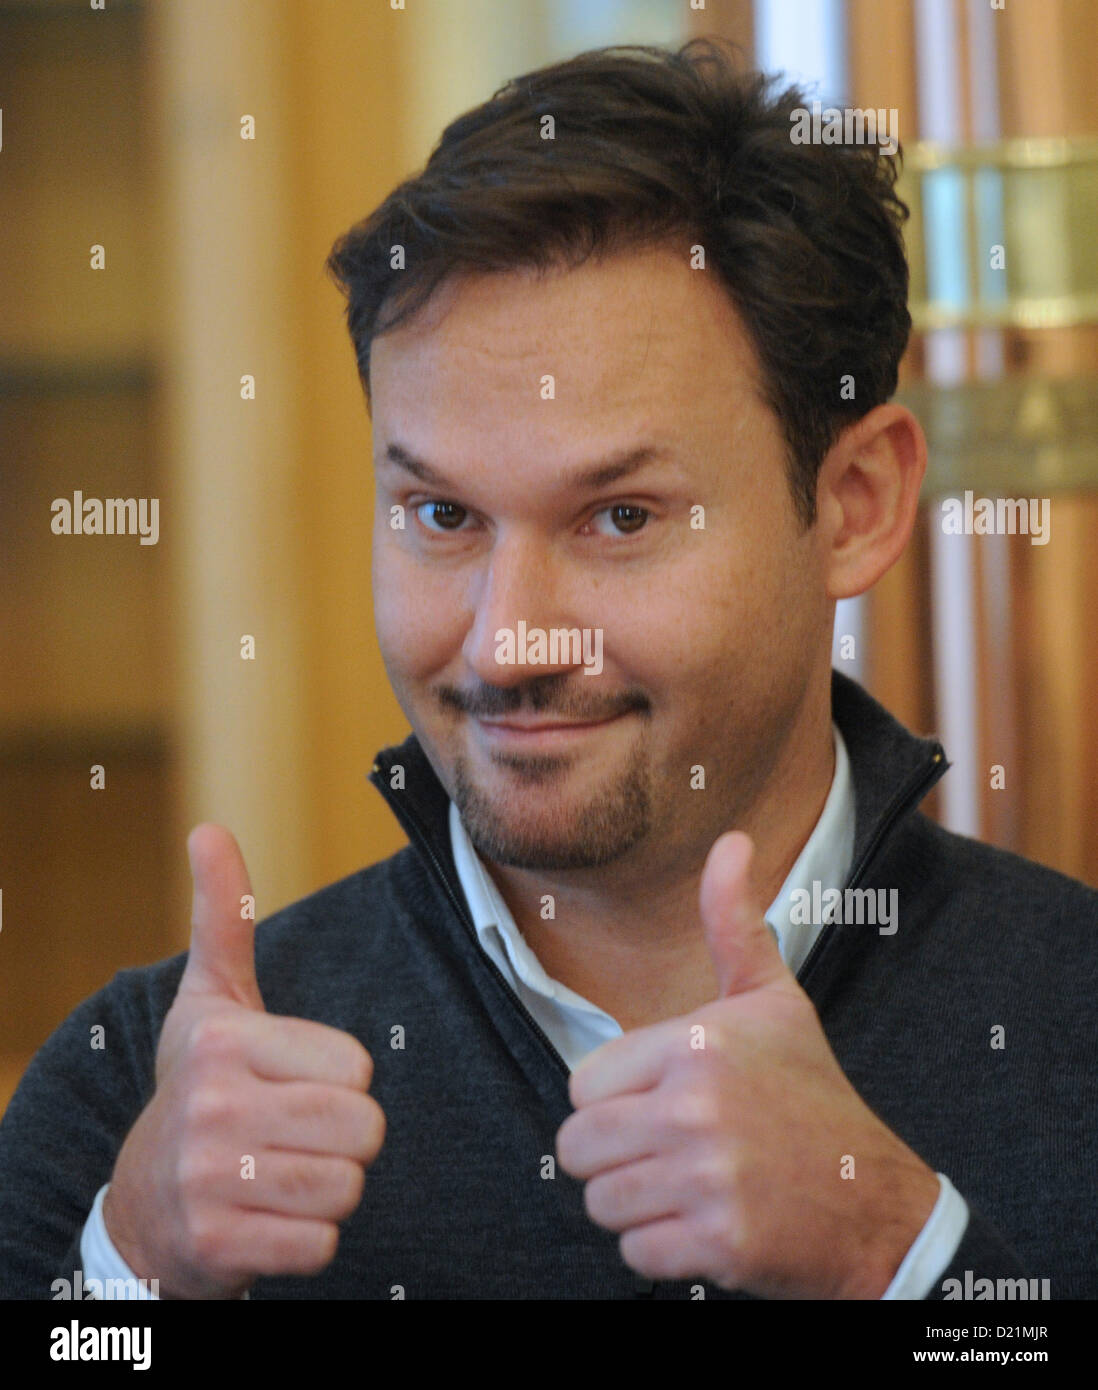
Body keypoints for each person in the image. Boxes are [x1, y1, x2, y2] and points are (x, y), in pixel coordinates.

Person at [2, 38, 1095, 1302]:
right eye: (442, 517)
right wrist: (126, 1271)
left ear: (852, 504)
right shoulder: (147, 1090)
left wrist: (904, 1263)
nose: (506, 641)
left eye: (620, 517)